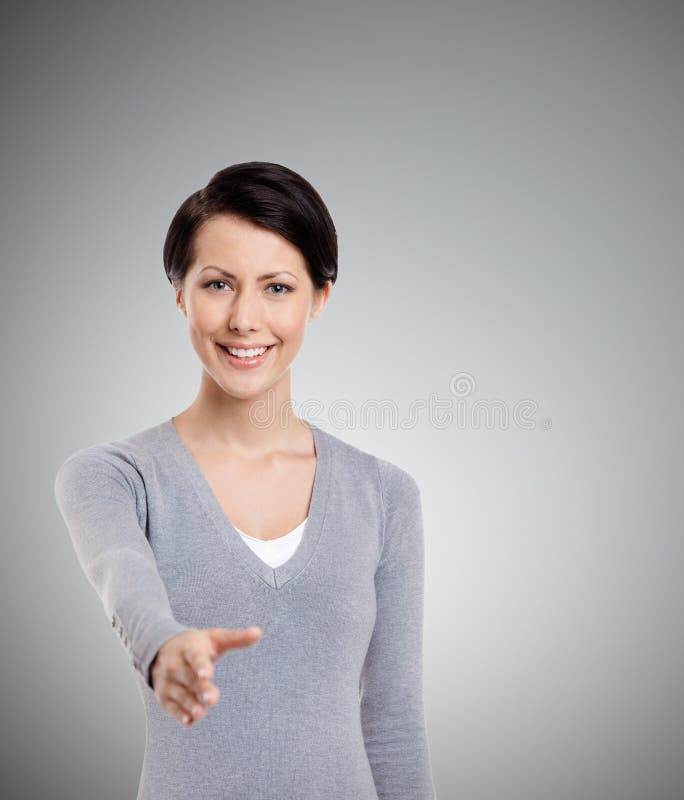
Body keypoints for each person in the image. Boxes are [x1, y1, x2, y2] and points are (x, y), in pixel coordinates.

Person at [53, 162, 437, 799]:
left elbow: (394, 725)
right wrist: (164, 647)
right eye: (218, 284)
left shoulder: (386, 495)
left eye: (278, 287)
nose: (244, 319)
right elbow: (124, 580)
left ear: (319, 298)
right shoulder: (114, 477)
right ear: (180, 293)